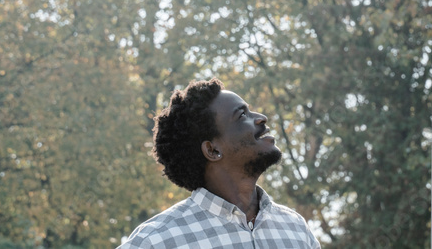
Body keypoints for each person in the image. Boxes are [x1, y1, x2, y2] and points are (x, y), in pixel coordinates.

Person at [119, 78, 320, 248]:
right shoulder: (155, 241)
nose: (261, 118)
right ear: (213, 150)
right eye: (242, 115)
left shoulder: (296, 229)